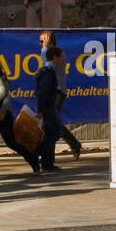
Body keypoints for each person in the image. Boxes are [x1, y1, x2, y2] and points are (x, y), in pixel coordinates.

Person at [0, 57, 40, 177]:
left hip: (2, 118)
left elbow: (6, 99)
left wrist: (2, 112)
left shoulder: (0, 81)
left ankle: (33, 160)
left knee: (10, 143)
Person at [39, 32, 82, 160]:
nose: (41, 44)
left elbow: (47, 66)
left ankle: (47, 157)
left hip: (57, 92)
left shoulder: (58, 54)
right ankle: (73, 145)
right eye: (41, 42)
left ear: (49, 40)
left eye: (42, 41)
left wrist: (45, 48)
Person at [36, 45, 65, 173]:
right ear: (55, 57)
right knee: (55, 131)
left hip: (47, 107)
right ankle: (39, 154)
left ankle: (47, 162)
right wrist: (41, 109)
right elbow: (42, 92)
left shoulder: (47, 70)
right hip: (48, 108)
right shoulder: (48, 71)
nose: (62, 60)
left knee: (49, 133)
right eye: (60, 57)